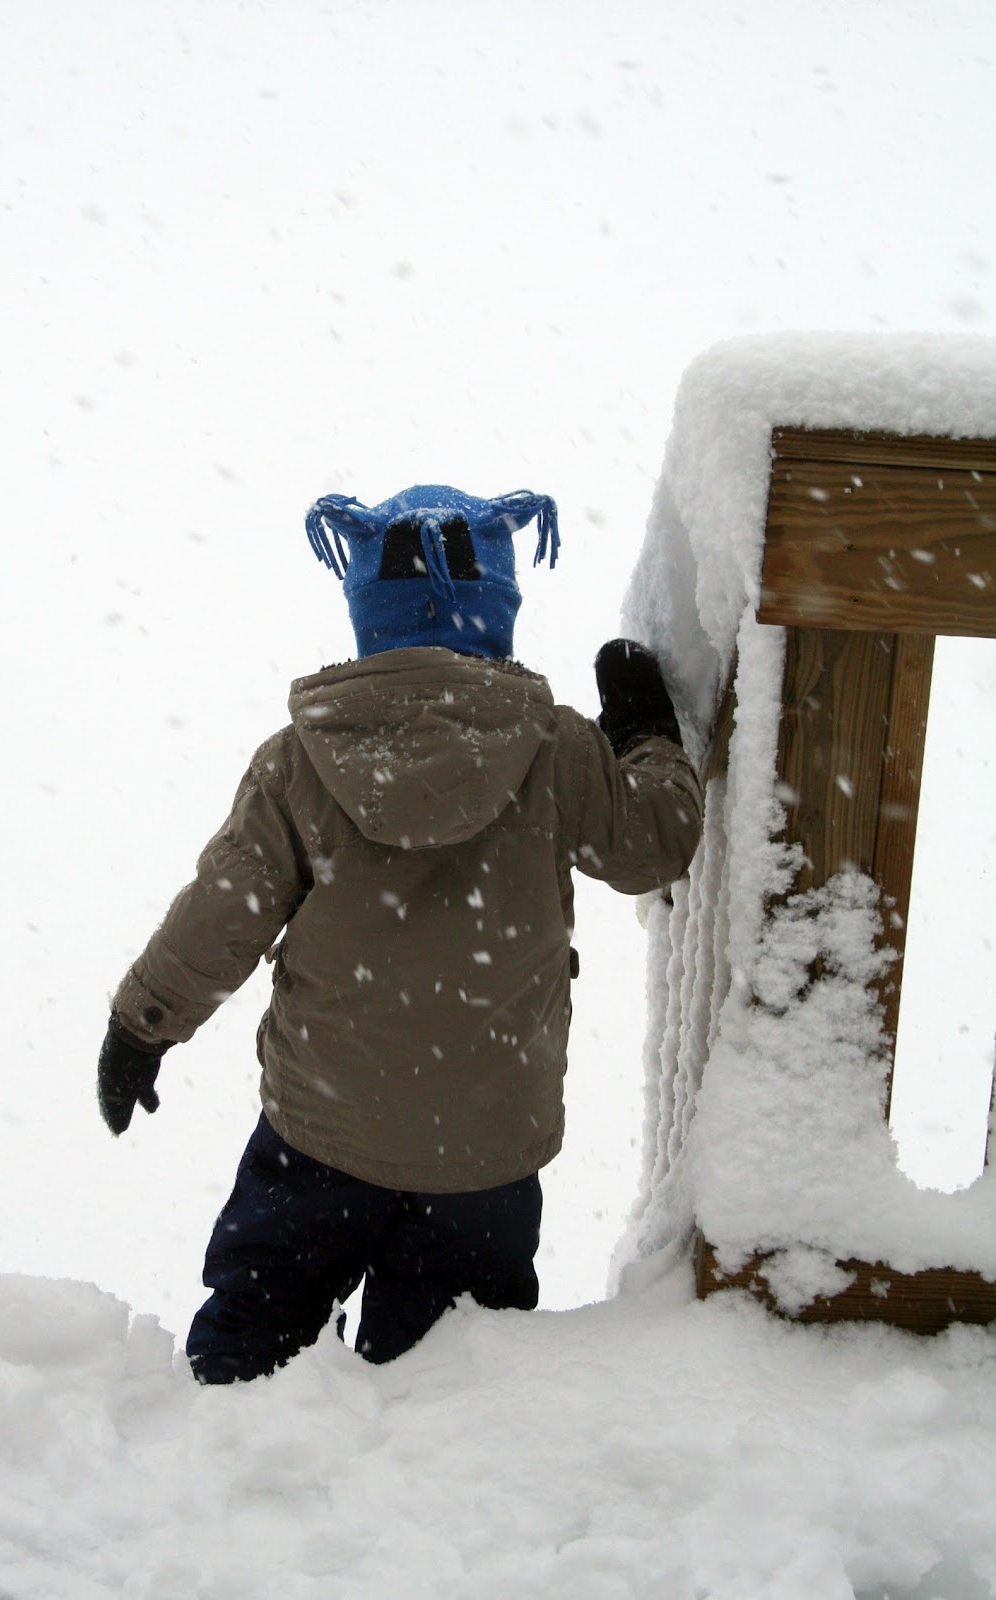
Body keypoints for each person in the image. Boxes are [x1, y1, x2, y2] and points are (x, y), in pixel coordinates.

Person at [97, 484, 702, 1383]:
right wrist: (648, 735)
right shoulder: (558, 751)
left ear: (366, 615)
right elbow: (655, 847)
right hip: (487, 1148)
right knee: (451, 1376)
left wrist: (142, 1024)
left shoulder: (300, 759)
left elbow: (223, 911)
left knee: (259, 1322)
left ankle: (221, 1470)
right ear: (496, 606)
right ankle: (438, 1498)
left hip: (323, 1132)